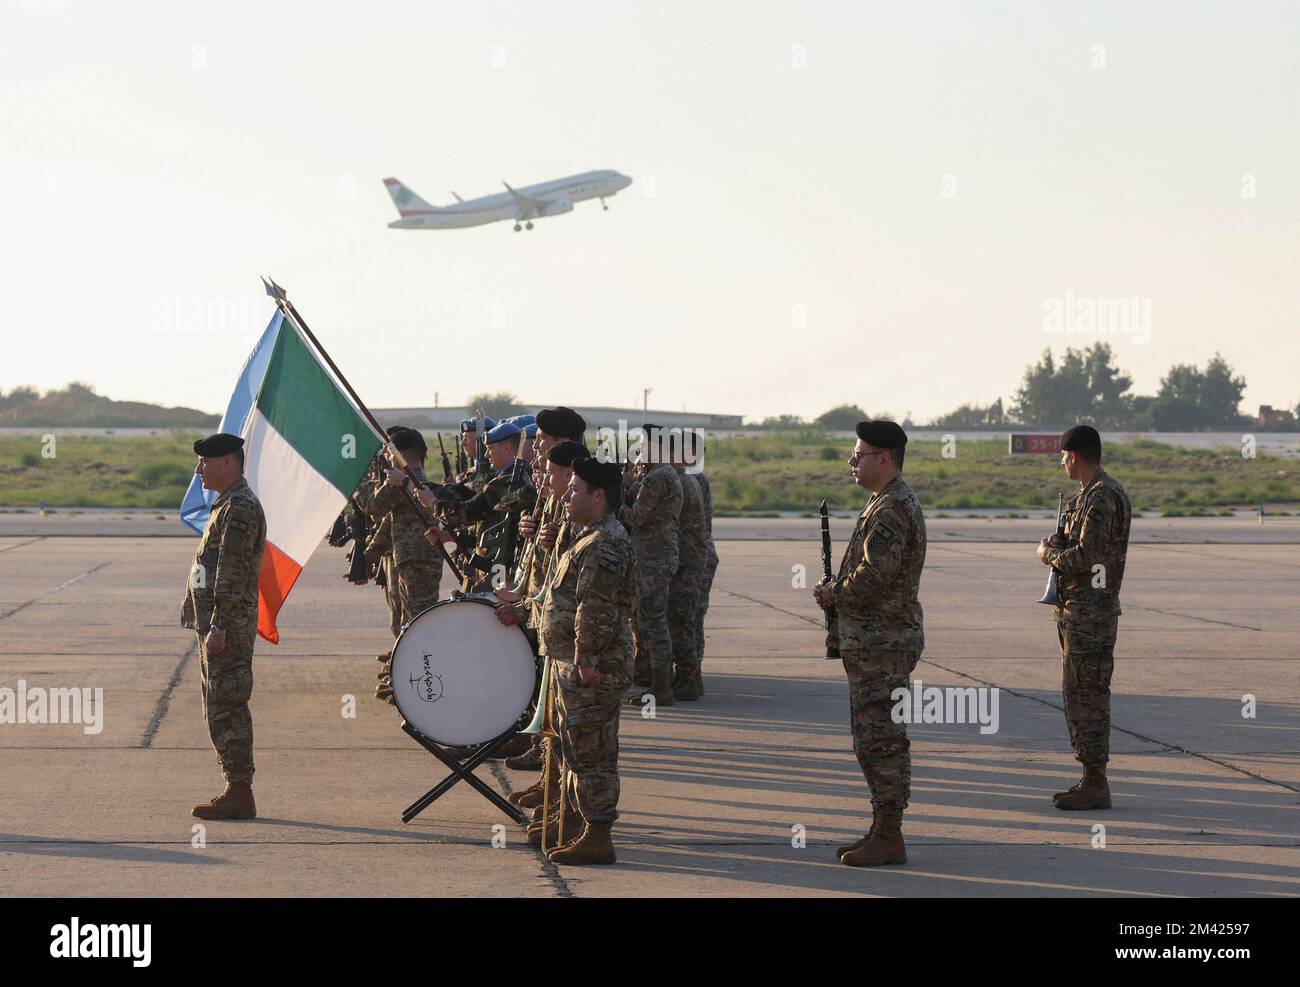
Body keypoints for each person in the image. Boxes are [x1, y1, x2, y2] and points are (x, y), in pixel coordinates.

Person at [496, 457, 635, 865]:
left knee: (593, 752)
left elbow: (595, 608)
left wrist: (587, 659)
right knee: (573, 748)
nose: (568, 495)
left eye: (576, 489)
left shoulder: (606, 541)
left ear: (598, 496)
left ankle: (598, 833)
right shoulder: (586, 536)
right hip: (570, 660)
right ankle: (574, 819)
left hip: (592, 666)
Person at [813, 420, 926, 866]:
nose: (851, 462)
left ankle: (889, 834)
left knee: (882, 740)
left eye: (859, 455)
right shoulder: (884, 503)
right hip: (874, 641)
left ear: (884, 459)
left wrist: (833, 593)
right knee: (872, 738)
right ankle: (882, 829)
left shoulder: (893, 508)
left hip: (884, 642)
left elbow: (875, 576)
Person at [1037, 424, 1131, 811]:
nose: (1061, 464)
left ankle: (1096, 781)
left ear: (1074, 456)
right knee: (1079, 694)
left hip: (1091, 614)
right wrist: (1061, 542)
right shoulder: (1088, 496)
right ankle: (1089, 777)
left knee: (1088, 696)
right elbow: (1083, 547)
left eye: (1063, 457)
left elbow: (1086, 557)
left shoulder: (1102, 497)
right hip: (1079, 611)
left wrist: (1047, 554)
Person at [181, 433, 267, 821]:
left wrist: (218, 625)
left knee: (227, 707)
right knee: (218, 706)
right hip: (218, 626)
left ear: (228, 462)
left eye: (206, 462)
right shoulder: (228, 505)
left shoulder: (241, 508)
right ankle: (234, 787)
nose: (199, 469)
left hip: (226, 629)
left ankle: (239, 791)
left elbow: (229, 574)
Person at [362, 427, 443, 702]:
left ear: (403, 454)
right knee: (409, 623)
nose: (386, 455)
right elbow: (388, 523)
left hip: (418, 561)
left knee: (418, 624)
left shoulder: (408, 483)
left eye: (390, 451)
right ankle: (408, 681)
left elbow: (372, 506)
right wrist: (370, 554)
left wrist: (360, 480)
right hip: (409, 560)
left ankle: (421, 685)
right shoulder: (407, 482)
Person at [618, 424, 682, 705]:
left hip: (653, 560)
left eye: (644, 445)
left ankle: (661, 687)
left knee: (653, 623)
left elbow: (637, 517)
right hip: (654, 557)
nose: (640, 450)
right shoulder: (658, 475)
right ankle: (653, 677)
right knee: (647, 621)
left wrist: (610, 505)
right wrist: (631, 485)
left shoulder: (658, 478)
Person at [668, 431, 709, 701]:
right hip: (691, 557)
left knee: (684, 620)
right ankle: (690, 676)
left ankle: (688, 679)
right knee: (688, 620)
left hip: (689, 560)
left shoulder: (687, 480)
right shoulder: (691, 478)